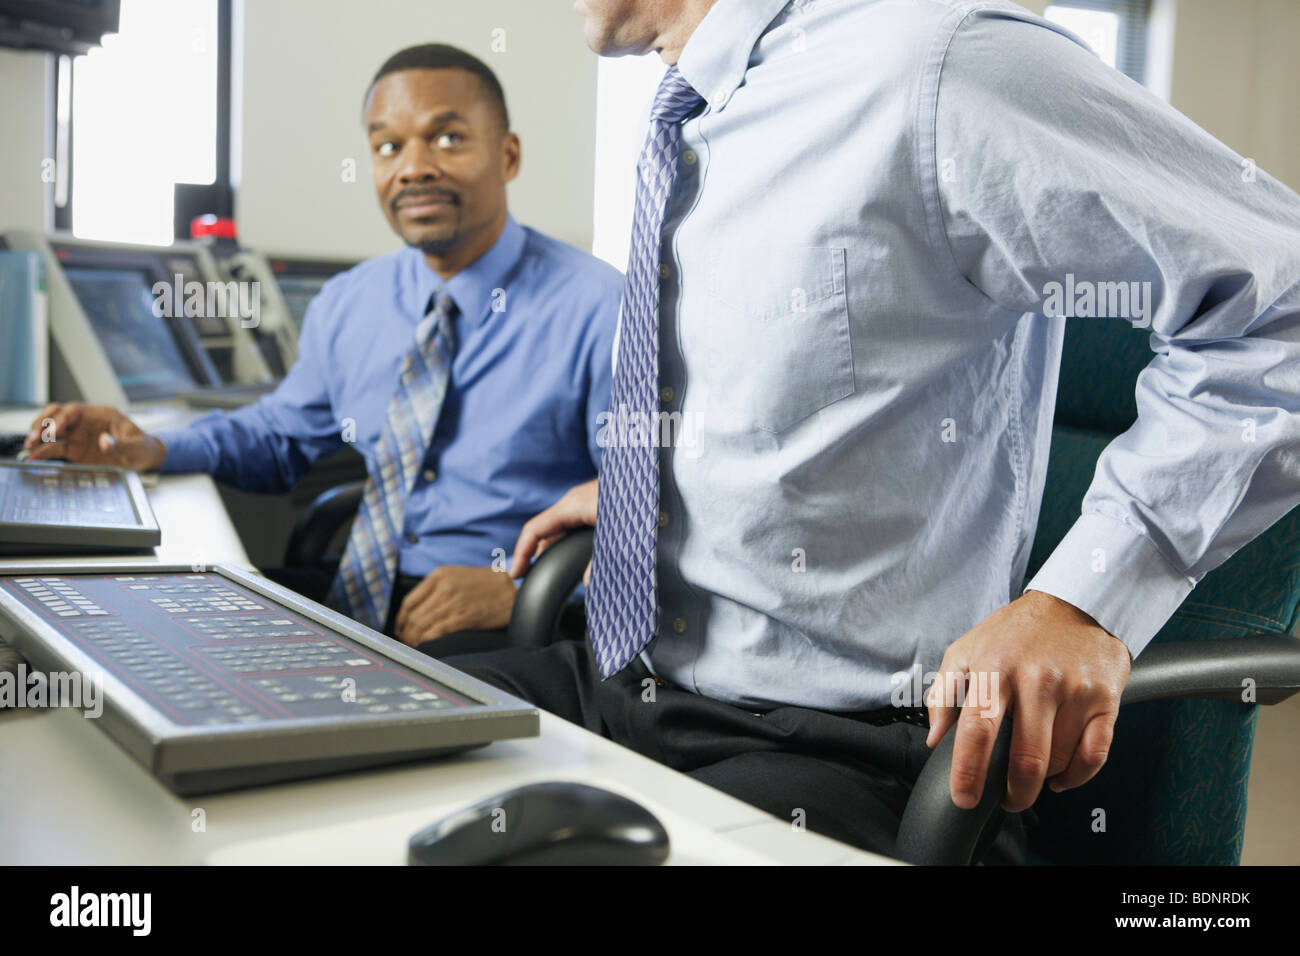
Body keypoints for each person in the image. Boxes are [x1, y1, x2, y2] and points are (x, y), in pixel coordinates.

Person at [444, 0, 1300, 862]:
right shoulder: (703, 99)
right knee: (338, 750)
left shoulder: (940, 65)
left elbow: (1284, 301)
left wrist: (1087, 601)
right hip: (616, 682)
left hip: (837, 752)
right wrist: (659, 488)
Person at [23, 43, 622, 655]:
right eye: (388, 146)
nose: (413, 167)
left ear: (508, 154)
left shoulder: (602, 309)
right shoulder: (350, 302)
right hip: (359, 587)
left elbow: (655, 516)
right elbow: (280, 436)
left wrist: (524, 586)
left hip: (515, 618)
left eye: (446, 139)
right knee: (140, 629)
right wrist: (148, 447)